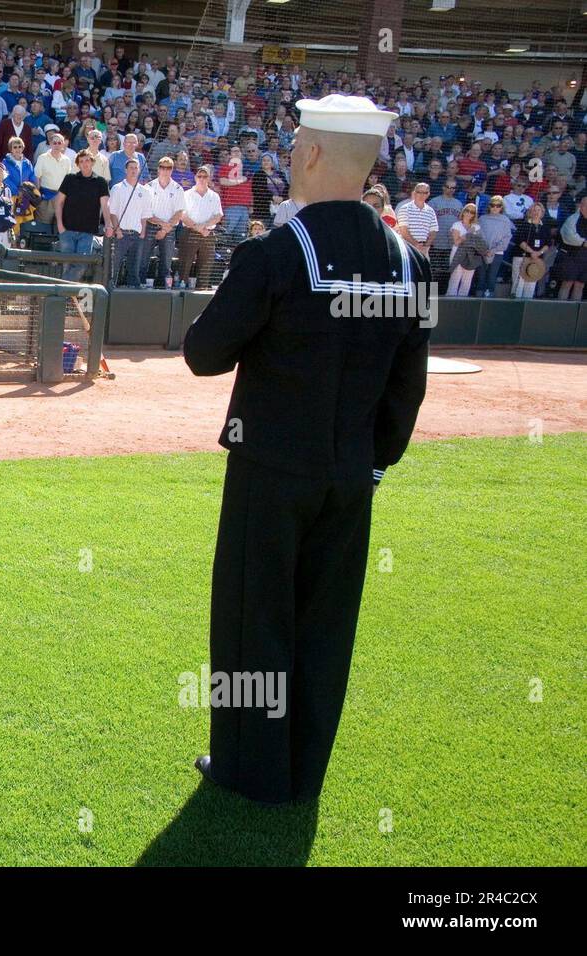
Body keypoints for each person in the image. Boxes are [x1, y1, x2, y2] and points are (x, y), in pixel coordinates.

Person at [183, 94, 430, 807]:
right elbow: (406, 394)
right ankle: (302, 770)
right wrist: (372, 461)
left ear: (315, 154)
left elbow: (204, 352)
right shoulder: (411, 267)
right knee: (326, 622)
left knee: (251, 618)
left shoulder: (277, 251)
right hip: (353, 475)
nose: (290, 157)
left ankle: (246, 768)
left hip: (270, 469)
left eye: (296, 145)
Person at [54, 151, 112, 282]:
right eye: (81, 161)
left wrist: (108, 224)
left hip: (88, 231)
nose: (85, 163)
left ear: (92, 162)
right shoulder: (69, 178)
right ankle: (65, 297)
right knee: (66, 265)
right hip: (67, 230)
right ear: (78, 165)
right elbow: (58, 202)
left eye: (87, 160)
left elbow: (105, 205)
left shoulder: (101, 182)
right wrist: (60, 225)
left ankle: (62, 290)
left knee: (82, 265)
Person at [107, 157, 157, 288]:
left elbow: (145, 214)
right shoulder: (117, 188)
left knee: (134, 267)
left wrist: (142, 233)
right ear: (125, 170)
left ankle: (133, 290)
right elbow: (112, 212)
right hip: (121, 234)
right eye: (131, 168)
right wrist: (117, 231)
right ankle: (111, 288)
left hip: (137, 235)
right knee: (114, 266)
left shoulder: (145, 191)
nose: (134, 171)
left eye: (136, 168)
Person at [179, 165, 223, 289]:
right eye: (199, 176)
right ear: (195, 177)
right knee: (184, 265)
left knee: (205, 268)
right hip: (189, 233)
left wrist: (204, 227)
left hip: (208, 234)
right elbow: (182, 214)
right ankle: (181, 290)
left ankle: (202, 292)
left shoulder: (214, 196)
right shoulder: (186, 194)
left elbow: (218, 215)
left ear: (209, 178)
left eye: (205, 176)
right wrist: (196, 227)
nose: (202, 179)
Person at [145, 155, 186, 287]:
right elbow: (145, 211)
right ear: (158, 169)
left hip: (170, 228)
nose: (165, 170)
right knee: (144, 257)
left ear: (172, 170)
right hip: (151, 226)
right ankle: (140, 284)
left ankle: (164, 287)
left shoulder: (178, 188)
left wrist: (165, 229)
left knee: (166, 261)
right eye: (162, 167)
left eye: (168, 168)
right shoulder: (149, 186)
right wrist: (162, 225)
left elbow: (179, 212)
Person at [475, 194, 514, 297]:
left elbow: (507, 237)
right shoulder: (482, 218)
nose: (495, 207)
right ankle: (478, 299)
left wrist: (494, 249)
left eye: (498, 205)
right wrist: (484, 249)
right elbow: (477, 235)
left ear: (501, 207)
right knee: (480, 277)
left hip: (497, 253)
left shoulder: (505, 220)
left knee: (492, 277)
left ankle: (489, 299)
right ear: (489, 206)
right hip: (482, 252)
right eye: (492, 205)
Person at [510, 203, 551, 299]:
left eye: (538, 210)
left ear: (542, 213)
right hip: (521, 257)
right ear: (530, 212)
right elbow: (519, 240)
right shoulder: (523, 225)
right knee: (518, 285)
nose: (536, 212)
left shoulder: (545, 227)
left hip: (536, 260)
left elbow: (548, 243)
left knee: (531, 285)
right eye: (534, 210)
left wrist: (539, 253)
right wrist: (531, 252)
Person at [446, 203, 486, 297]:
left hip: (471, 255)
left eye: (472, 212)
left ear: (474, 214)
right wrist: (468, 233)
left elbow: (479, 242)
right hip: (458, 253)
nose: (469, 213)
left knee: (467, 281)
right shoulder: (457, 224)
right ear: (463, 212)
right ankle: (450, 301)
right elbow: (456, 242)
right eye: (467, 210)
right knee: (455, 279)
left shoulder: (477, 227)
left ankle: (462, 302)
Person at [555, 194, 587, 302]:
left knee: (580, 285)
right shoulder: (572, 219)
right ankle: (561, 308)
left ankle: (574, 311)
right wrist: (583, 243)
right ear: (581, 206)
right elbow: (568, 235)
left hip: (585, 259)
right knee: (567, 283)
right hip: (571, 257)